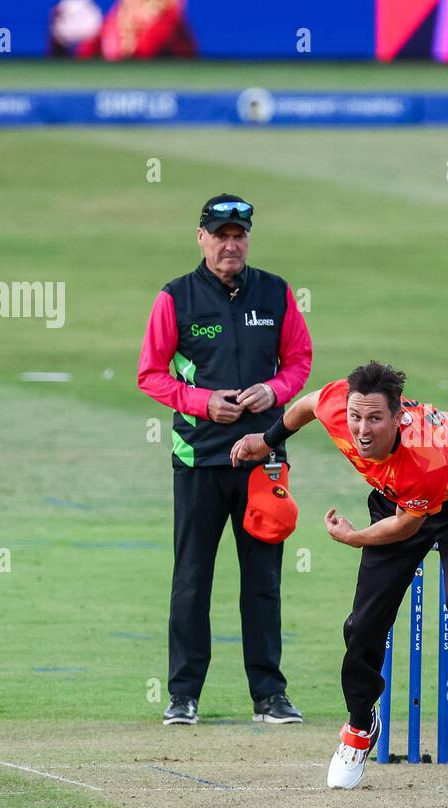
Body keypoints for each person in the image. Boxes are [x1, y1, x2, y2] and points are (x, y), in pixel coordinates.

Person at [232, 362, 448, 789]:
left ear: (398, 417)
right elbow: (308, 404)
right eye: (356, 417)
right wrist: (267, 440)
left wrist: (355, 538)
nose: (361, 429)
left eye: (375, 419)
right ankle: (359, 728)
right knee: (363, 625)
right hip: (398, 499)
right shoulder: (339, 406)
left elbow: (407, 526)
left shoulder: (424, 453)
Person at [138, 194, 312, 726]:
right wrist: (201, 402)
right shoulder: (176, 298)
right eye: (220, 234)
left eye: (239, 235)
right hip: (199, 460)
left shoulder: (276, 293)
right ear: (201, 237)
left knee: (263, 580)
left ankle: (269, 696)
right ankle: (183, 695)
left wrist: (273, 389)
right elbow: (151, 374)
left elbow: (299, 361)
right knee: (192, 579)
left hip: (263, 459)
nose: (230, 244)